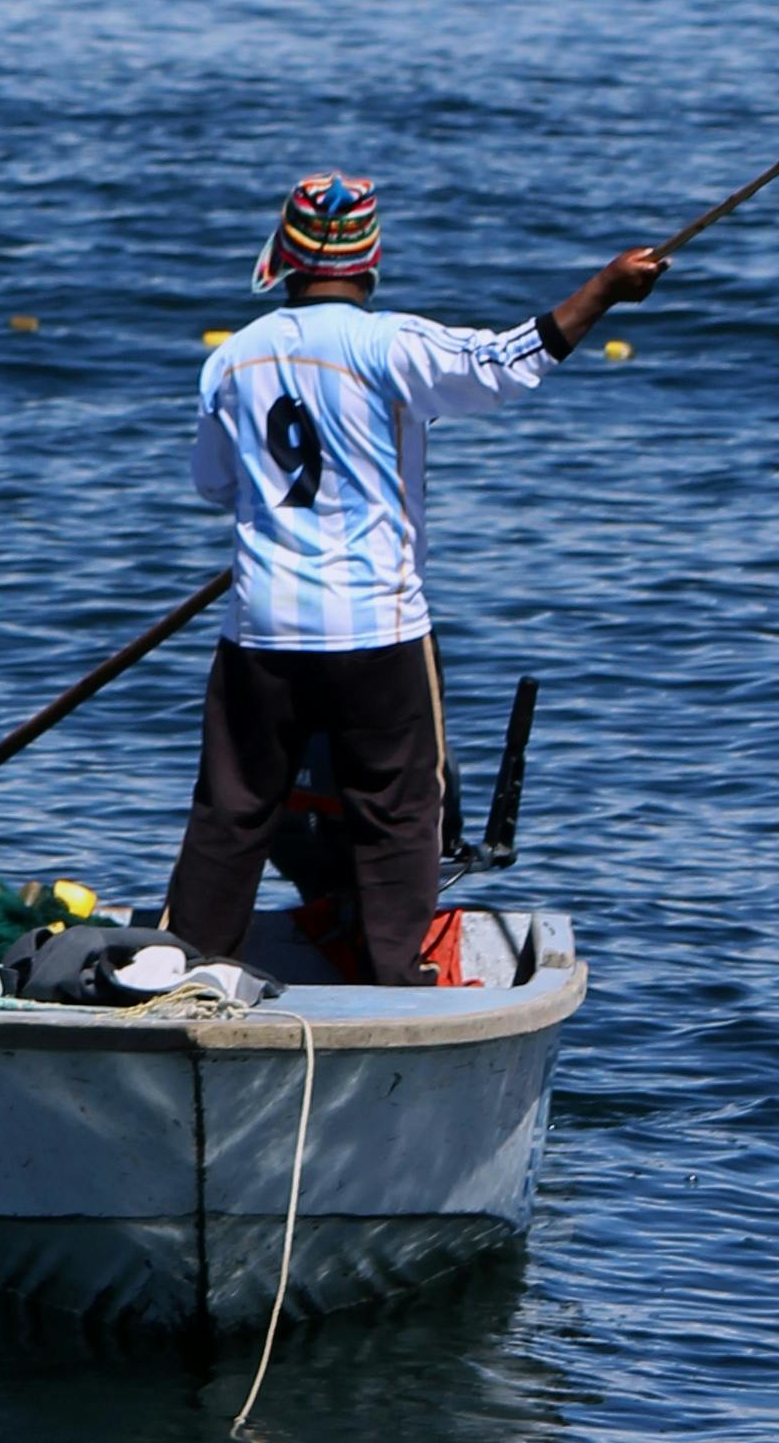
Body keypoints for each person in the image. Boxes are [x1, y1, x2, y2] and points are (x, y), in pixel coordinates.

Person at [163, 165, 664, 986]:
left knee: (232, 811)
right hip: (376, 630)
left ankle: (183, 974)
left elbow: (215, 484)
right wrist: (603, 289)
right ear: (368, 260)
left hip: (261, 629)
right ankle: (397, 986)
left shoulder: (232, 362)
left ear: (284, 258)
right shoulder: (391, 344)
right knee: (397, 814)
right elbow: (507, 363)